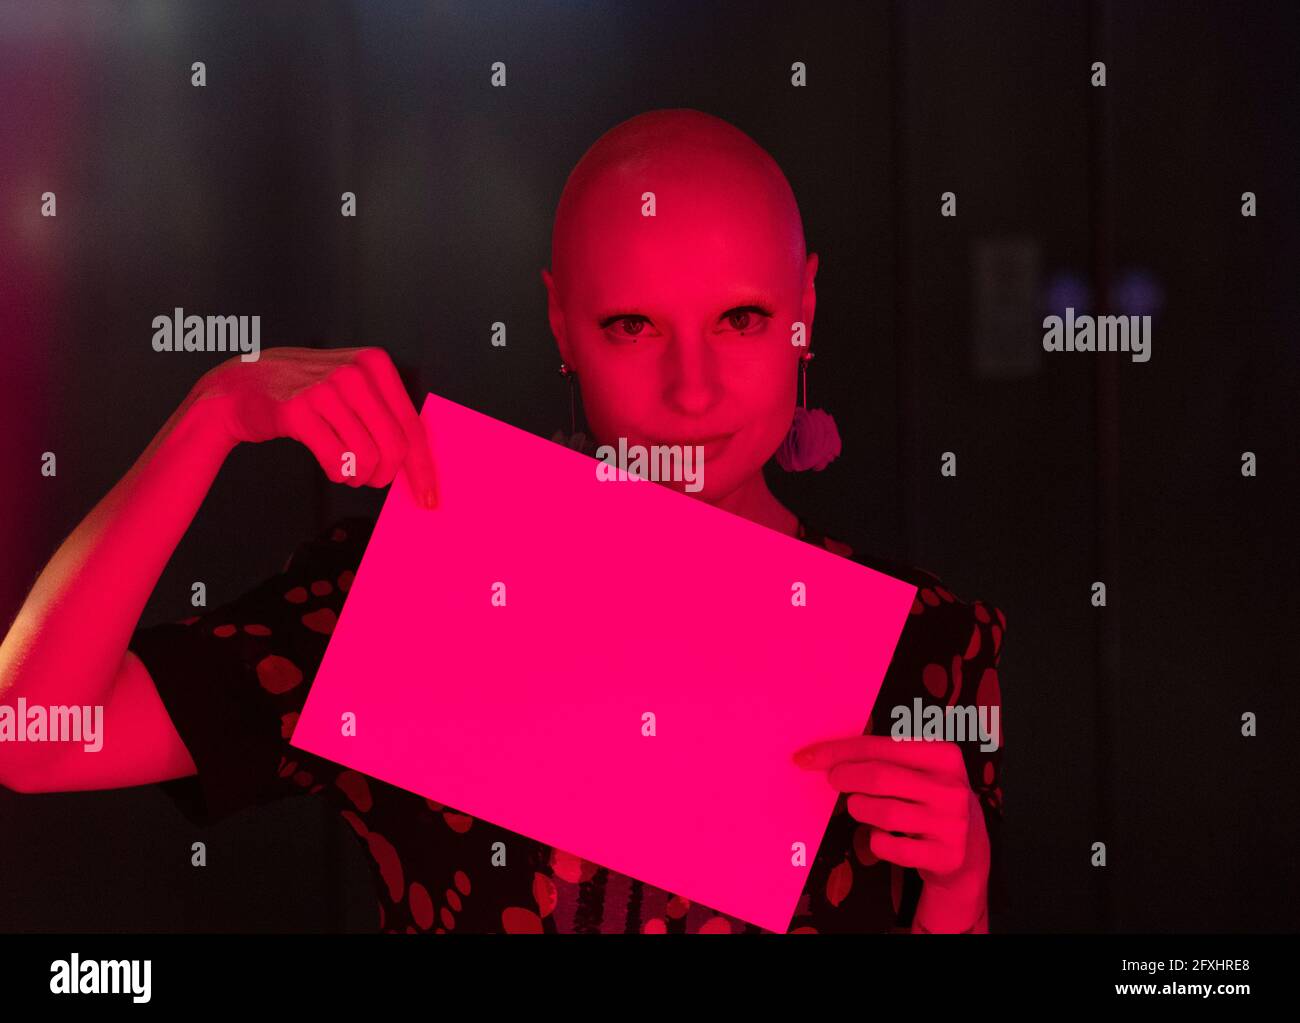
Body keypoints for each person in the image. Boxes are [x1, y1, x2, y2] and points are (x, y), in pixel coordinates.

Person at [0, 108, 1005, 934]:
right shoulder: (420, 580)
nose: (692, 392)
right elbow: (30, 738)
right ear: (562, 324)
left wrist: (959, 895)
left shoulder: (923, 648)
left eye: (739, 319)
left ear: (805, 309)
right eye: (631, 325)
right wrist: (212, 415)